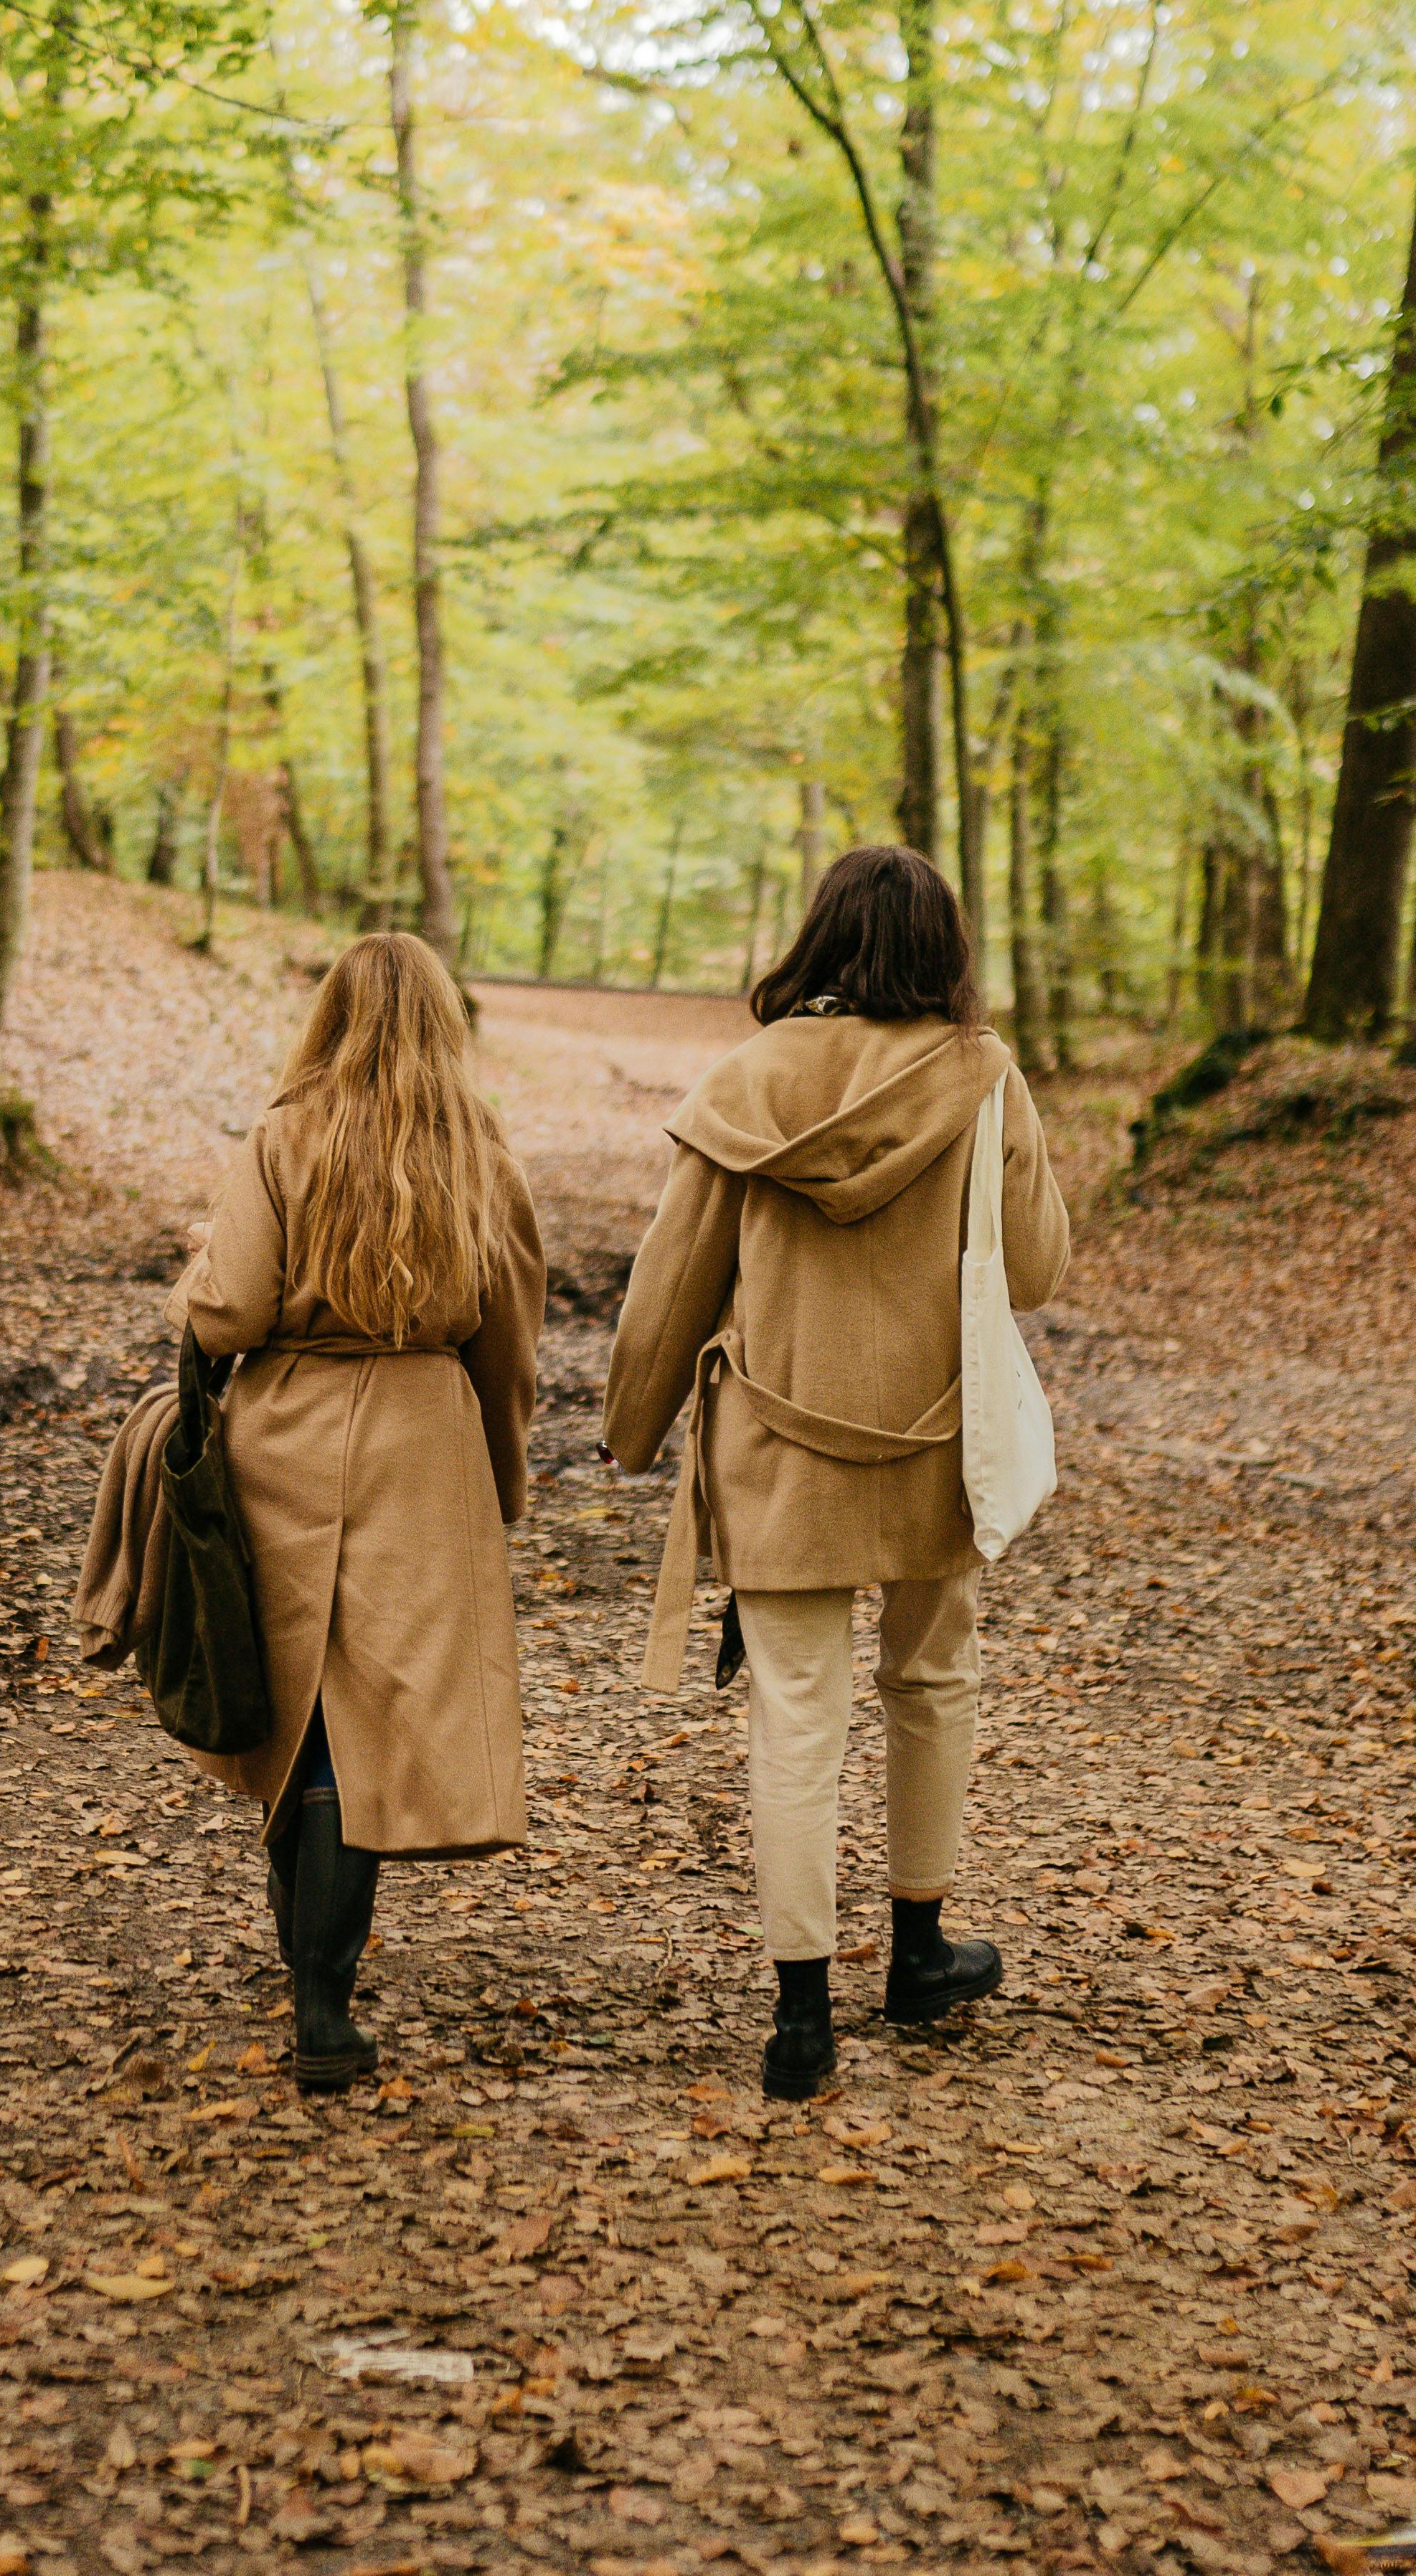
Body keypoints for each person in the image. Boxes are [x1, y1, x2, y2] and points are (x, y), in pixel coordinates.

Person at [600, 846, 1068, 2100]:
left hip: (779, 1445)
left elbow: (672, 1279)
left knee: (796, 1720)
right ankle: (917, 1954)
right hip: (933, 1445)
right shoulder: (983, 1076)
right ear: (942, 950)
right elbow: (1035, 1271)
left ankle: (800, 2020)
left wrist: (633, 1428)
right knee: (933, 1682)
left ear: (820, 938)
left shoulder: (749, 1081)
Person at [163, 931, 545, 2093]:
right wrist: (502, 1479)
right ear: (442, 1022)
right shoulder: (479, 1150)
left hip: (288, 1432)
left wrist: (194, 1268)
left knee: (301, 1708)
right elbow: (510, 1338)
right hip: (424, 1449)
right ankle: (324, 2003)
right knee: (371, 1722)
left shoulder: (282, 1136)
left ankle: (313, 1983)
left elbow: (228, 1315)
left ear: (330, 1016)